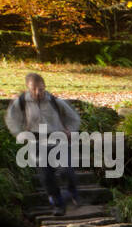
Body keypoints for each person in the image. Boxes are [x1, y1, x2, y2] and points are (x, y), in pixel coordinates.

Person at [5, 73, 83, 215]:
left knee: (67, 169)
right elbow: (11, 119)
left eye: (40, 89)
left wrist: (70, 131)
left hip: (58, 138)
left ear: (44, 87)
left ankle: (72, 191)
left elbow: (74, 118)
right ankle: (58, 204)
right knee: (46, 175)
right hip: (36, 141)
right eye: (34, 89)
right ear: (28, 88)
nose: (37, 92)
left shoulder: (54, 101)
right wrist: (20, 134)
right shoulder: (22, 102)